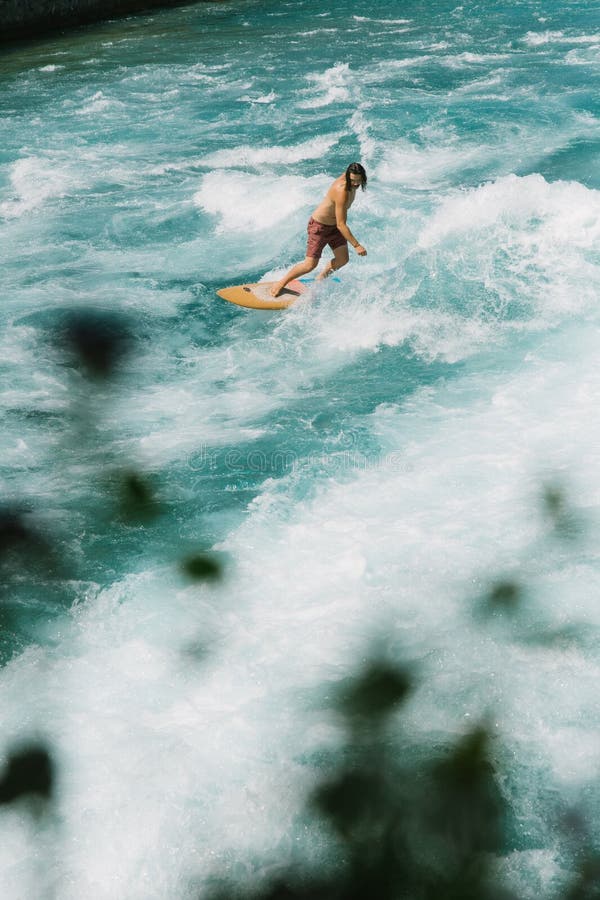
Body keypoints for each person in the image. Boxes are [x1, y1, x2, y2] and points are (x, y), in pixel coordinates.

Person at [270, 162, 367, 297]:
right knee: (309, 265)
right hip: (319, 227)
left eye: (358, 180)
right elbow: (341, 224)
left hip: (334, 227)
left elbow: (338, 224)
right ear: (347, 177)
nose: (356, 184)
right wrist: (357, 245)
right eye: (352, 180)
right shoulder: (342, 191)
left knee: (342, 259)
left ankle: (320, 278)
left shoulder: (351, 180)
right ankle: (280, 283)